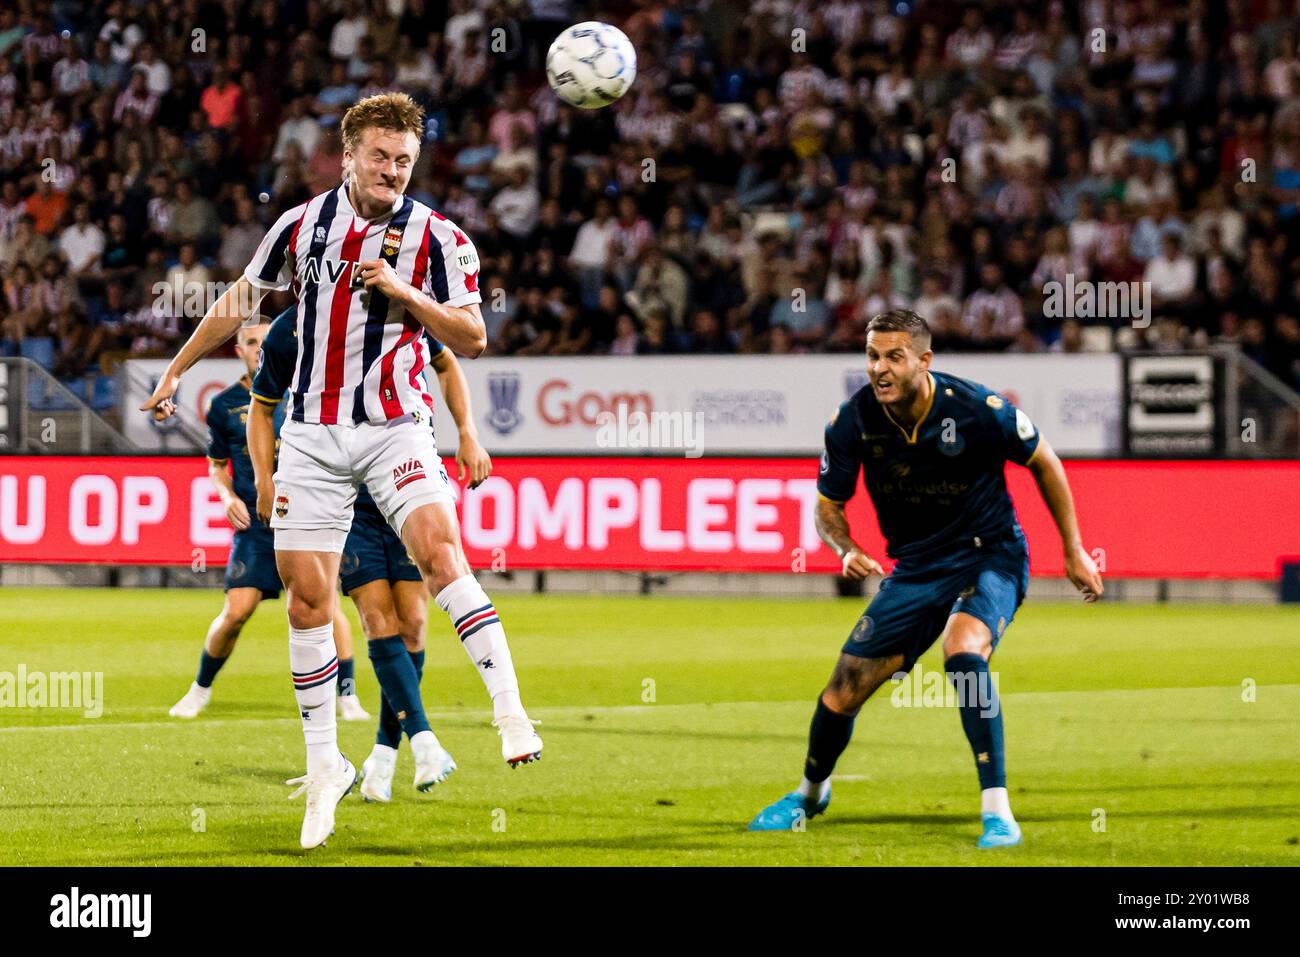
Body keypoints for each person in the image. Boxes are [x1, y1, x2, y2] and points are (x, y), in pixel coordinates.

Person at [142, 93, 542, 849]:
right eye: (381, 157)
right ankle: (326, 765)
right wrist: (176, 367)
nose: (393, 171)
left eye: (405, 161)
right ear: (348, 154)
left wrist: (401, 291)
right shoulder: (300, 226)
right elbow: (241, 299)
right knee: (305, 601)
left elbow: (475, 337)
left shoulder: (439, 237)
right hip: (315, 437)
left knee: (440, 553)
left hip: (396, 429)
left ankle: (510, 709)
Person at [749, 309, 1103, 847]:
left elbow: (1045, 461)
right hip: (915, 569)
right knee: (842, 692)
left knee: (963, 652)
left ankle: (998, 811)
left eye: (893, 356)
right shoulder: (852, 421)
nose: (880, 369)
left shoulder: (978, 409)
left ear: (923, 359)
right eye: (872, 356)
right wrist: (845, 547)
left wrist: (1073, 550)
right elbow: (827, 508)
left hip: (989, 555)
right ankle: (809, 793)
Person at [253, 306, 497, 803]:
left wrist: (468, 431)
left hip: (404, 484)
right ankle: (423, 737)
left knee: (414, 624)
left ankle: (384, 752)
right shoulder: (295, 333)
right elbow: (265, 406)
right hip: (348, 504)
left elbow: (448, 362)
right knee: (375, 618)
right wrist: (266, 478)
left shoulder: (392, 314)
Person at [167, 318, 369, 722]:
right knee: (236, 612)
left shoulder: (305, 396)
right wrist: (226, 496)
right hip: (257, 528)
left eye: (263, 341)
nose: (258, 348)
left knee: (328, 607)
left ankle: (347, 697)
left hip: (305, 518)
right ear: (238, 350)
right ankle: (200, 689)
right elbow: (217, 465)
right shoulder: (223, 405)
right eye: (249, 342)